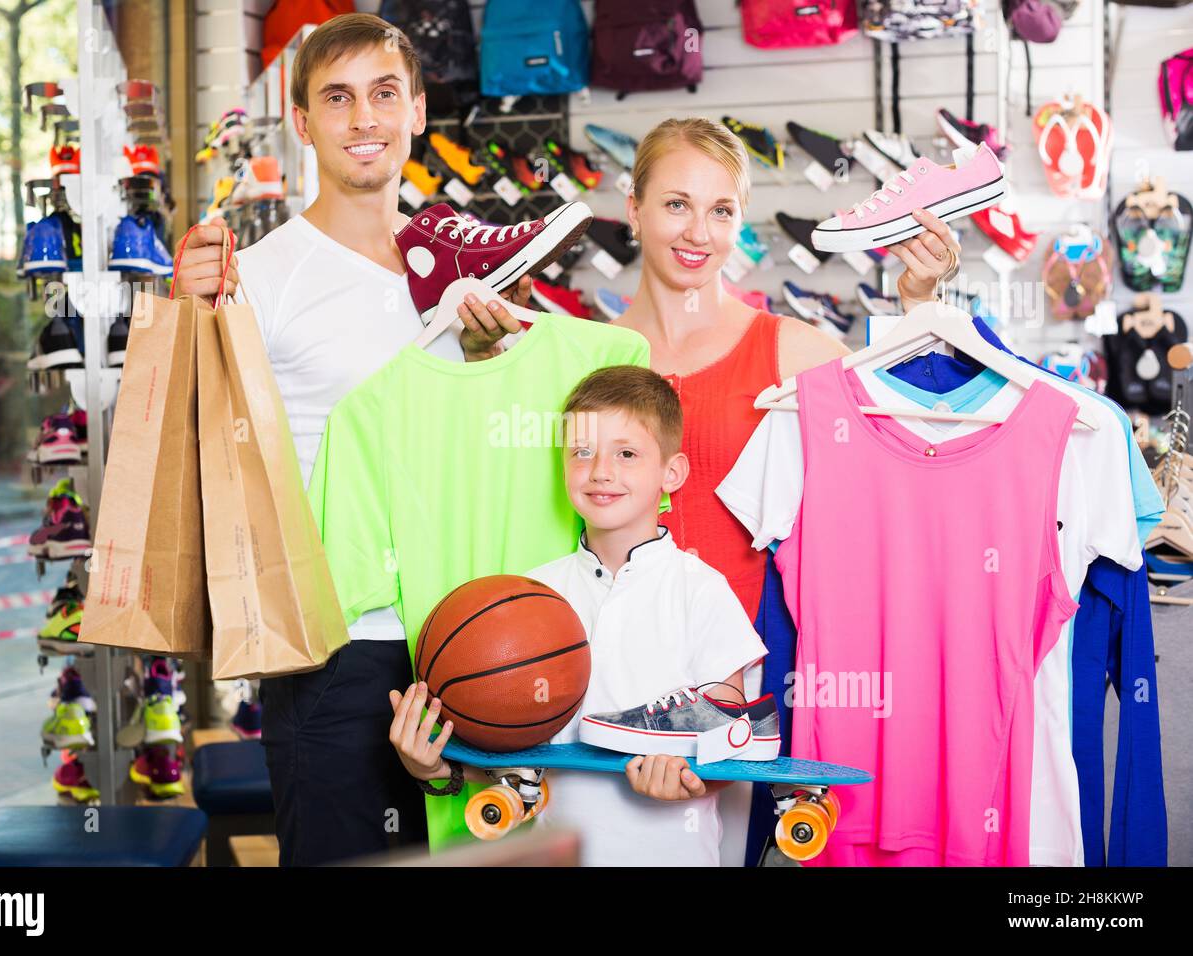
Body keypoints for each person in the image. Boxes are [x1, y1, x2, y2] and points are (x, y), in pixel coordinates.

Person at [172, 14, 526, 866]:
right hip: (334, 643)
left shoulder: (466, 272)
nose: (364, 117)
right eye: (337, 98)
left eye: (383, 94)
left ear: (417, 111)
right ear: (303, 123)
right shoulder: (257, 275)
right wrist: (187, 310)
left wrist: (489, 365)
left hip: (469, 627)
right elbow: (204, 443)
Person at [609, 118, 963, 862]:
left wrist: (918, 306)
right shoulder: (584, 358)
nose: (698, 230)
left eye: (721, 209)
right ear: (631, 206)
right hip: (614, 682)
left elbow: (917, 443)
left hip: (744, 687)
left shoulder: (792, 351)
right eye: (675, 204)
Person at [388, 365, 767, 866]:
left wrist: (690, 778)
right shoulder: (528, 594)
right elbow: (520, 767)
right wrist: (434, 768)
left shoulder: (701, 591)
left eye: (626, 454)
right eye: (581, 452)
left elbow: (734, 743)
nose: (600, 471)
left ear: (671, 472)